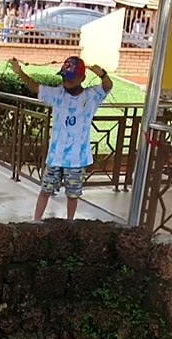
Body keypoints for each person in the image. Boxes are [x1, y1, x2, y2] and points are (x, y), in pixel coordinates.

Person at [8, 55, 112, 220]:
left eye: (71, 79)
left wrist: (102, 73)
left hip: (77, 158)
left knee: (73, 194)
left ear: (82, 78)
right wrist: (19, 72)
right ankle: (36, 222)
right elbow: (35, 86)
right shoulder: (57, 93)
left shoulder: (91, 96)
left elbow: (107, 86)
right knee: (45, 190)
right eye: (64, 78)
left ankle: (70, 223)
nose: (66, 82)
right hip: (56, 156)